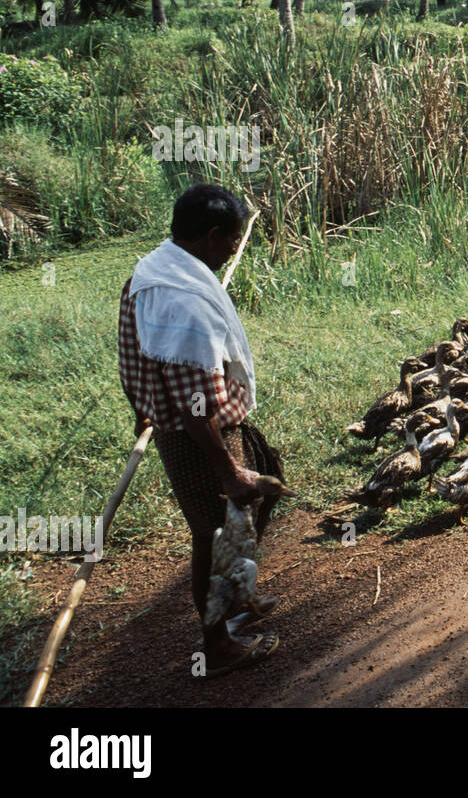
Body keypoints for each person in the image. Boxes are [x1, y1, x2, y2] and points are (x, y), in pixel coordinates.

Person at [118, 183, 284, 677]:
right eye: (232, 240)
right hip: (197, 438)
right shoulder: (180, 302)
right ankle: (217, 645)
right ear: (211, 236)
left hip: (194, 424)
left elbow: (134, 355)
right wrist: (227, 468)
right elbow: (195, 407)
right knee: (213, 533)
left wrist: (140, 406)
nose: (236, 248)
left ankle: (238, 597)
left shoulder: (151, 273)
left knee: (267, 481)